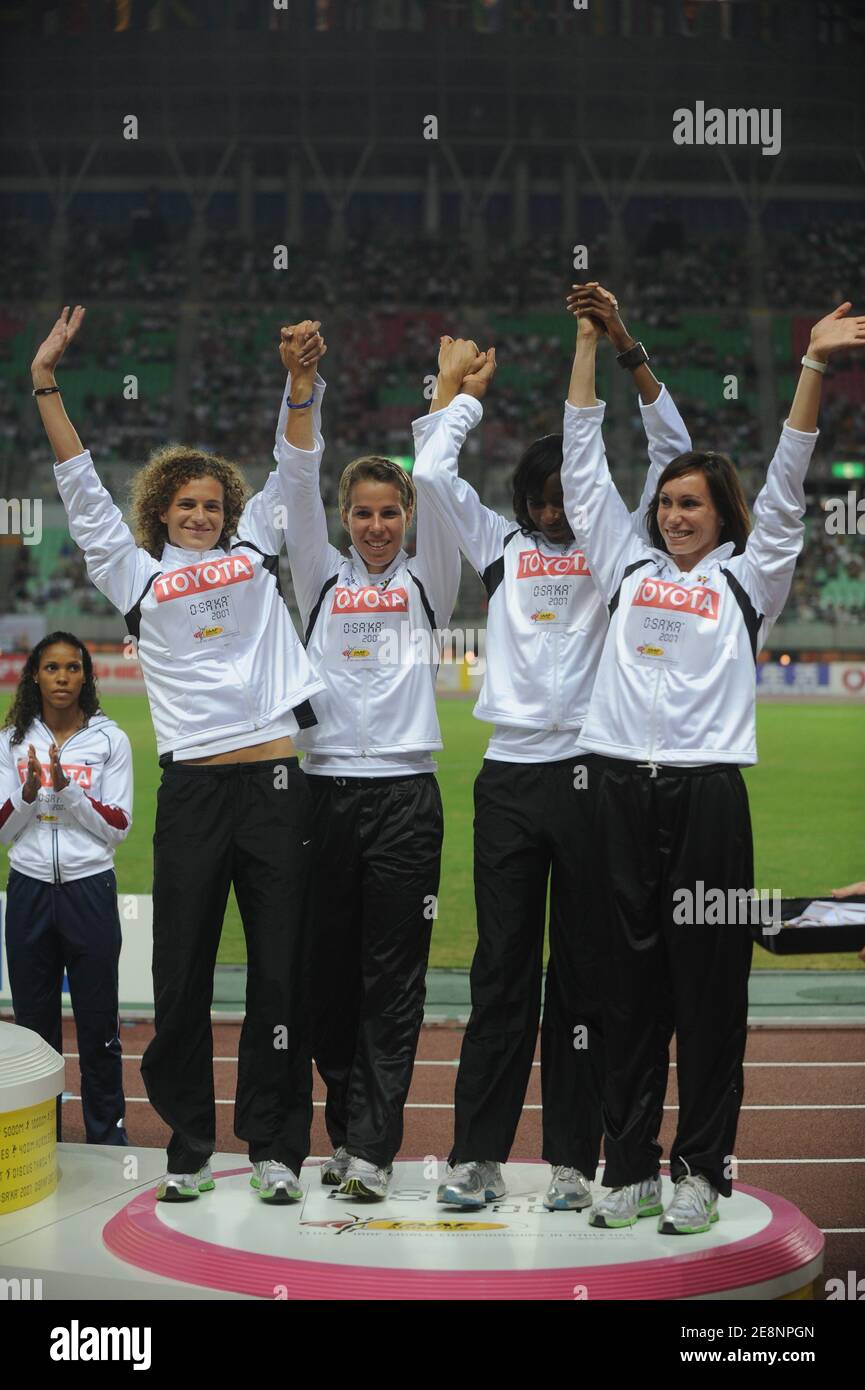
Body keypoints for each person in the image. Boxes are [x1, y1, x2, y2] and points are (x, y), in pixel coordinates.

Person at [562, 285, 865, 1234]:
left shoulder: (749, 576)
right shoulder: (626, 567)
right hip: (613, 788)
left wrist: (813, 364)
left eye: (689, 503)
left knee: (706, 993)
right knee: (624, 994)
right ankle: (630, 1168)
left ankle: (699, 1170)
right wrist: (588, 342)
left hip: (705, 801)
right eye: (663, 503)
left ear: (722, 514)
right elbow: (580, 469)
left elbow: (788, 478)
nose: (671, 515)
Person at [31, 306, 328, 1205]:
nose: (200, 514)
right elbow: (81, 486)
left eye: (211, 504)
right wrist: (45, 381)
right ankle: (191, 1147)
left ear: (230, 514)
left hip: (277, 780)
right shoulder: (134, 575)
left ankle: (277, 1148)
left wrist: (300, 387)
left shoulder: (258, 547)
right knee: (180, 975)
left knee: (281, 972)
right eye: (184, 505)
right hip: (194, 790)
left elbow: (297, 465)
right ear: (159, 513)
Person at [412, 304, 692, 1212]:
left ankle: (575, 1161)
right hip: (510, 779)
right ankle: (475, 1159)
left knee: (583, 977)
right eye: (540, 499)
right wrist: (457, 398)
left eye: (564, 496)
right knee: (499, 972)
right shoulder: (498, 549)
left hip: (594, 776)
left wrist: (628, 357)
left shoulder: (622, 548)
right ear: (524, 501)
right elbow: (427, 470)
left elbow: (672, 454)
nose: (553, 512)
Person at [275, 326, 483, 1200]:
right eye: (360, 512)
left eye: (386, 513)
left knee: (391, 981)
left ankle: (369, 1149)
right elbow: (292, 481)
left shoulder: (428, 576)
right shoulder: (316, 573)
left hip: (403, 795)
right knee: (324, 986)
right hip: (319, 797)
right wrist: (301, 387)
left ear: (406, 521)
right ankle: (344, 1129)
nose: (372, 526)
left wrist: (443, 397)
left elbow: (434, 479)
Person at [0, 632, 131, 1145]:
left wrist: (70, 791)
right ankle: (39, 1142)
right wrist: (29, 795)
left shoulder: (110, 739)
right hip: (29, 892)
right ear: (35, 674)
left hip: (89, 891)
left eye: (72, 668)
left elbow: (118, 825)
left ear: (85, 676)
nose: (62, 678)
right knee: (34, 1031)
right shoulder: (11, 740)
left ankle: (107, 1138)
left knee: (99, 1026)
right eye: (51, 668)